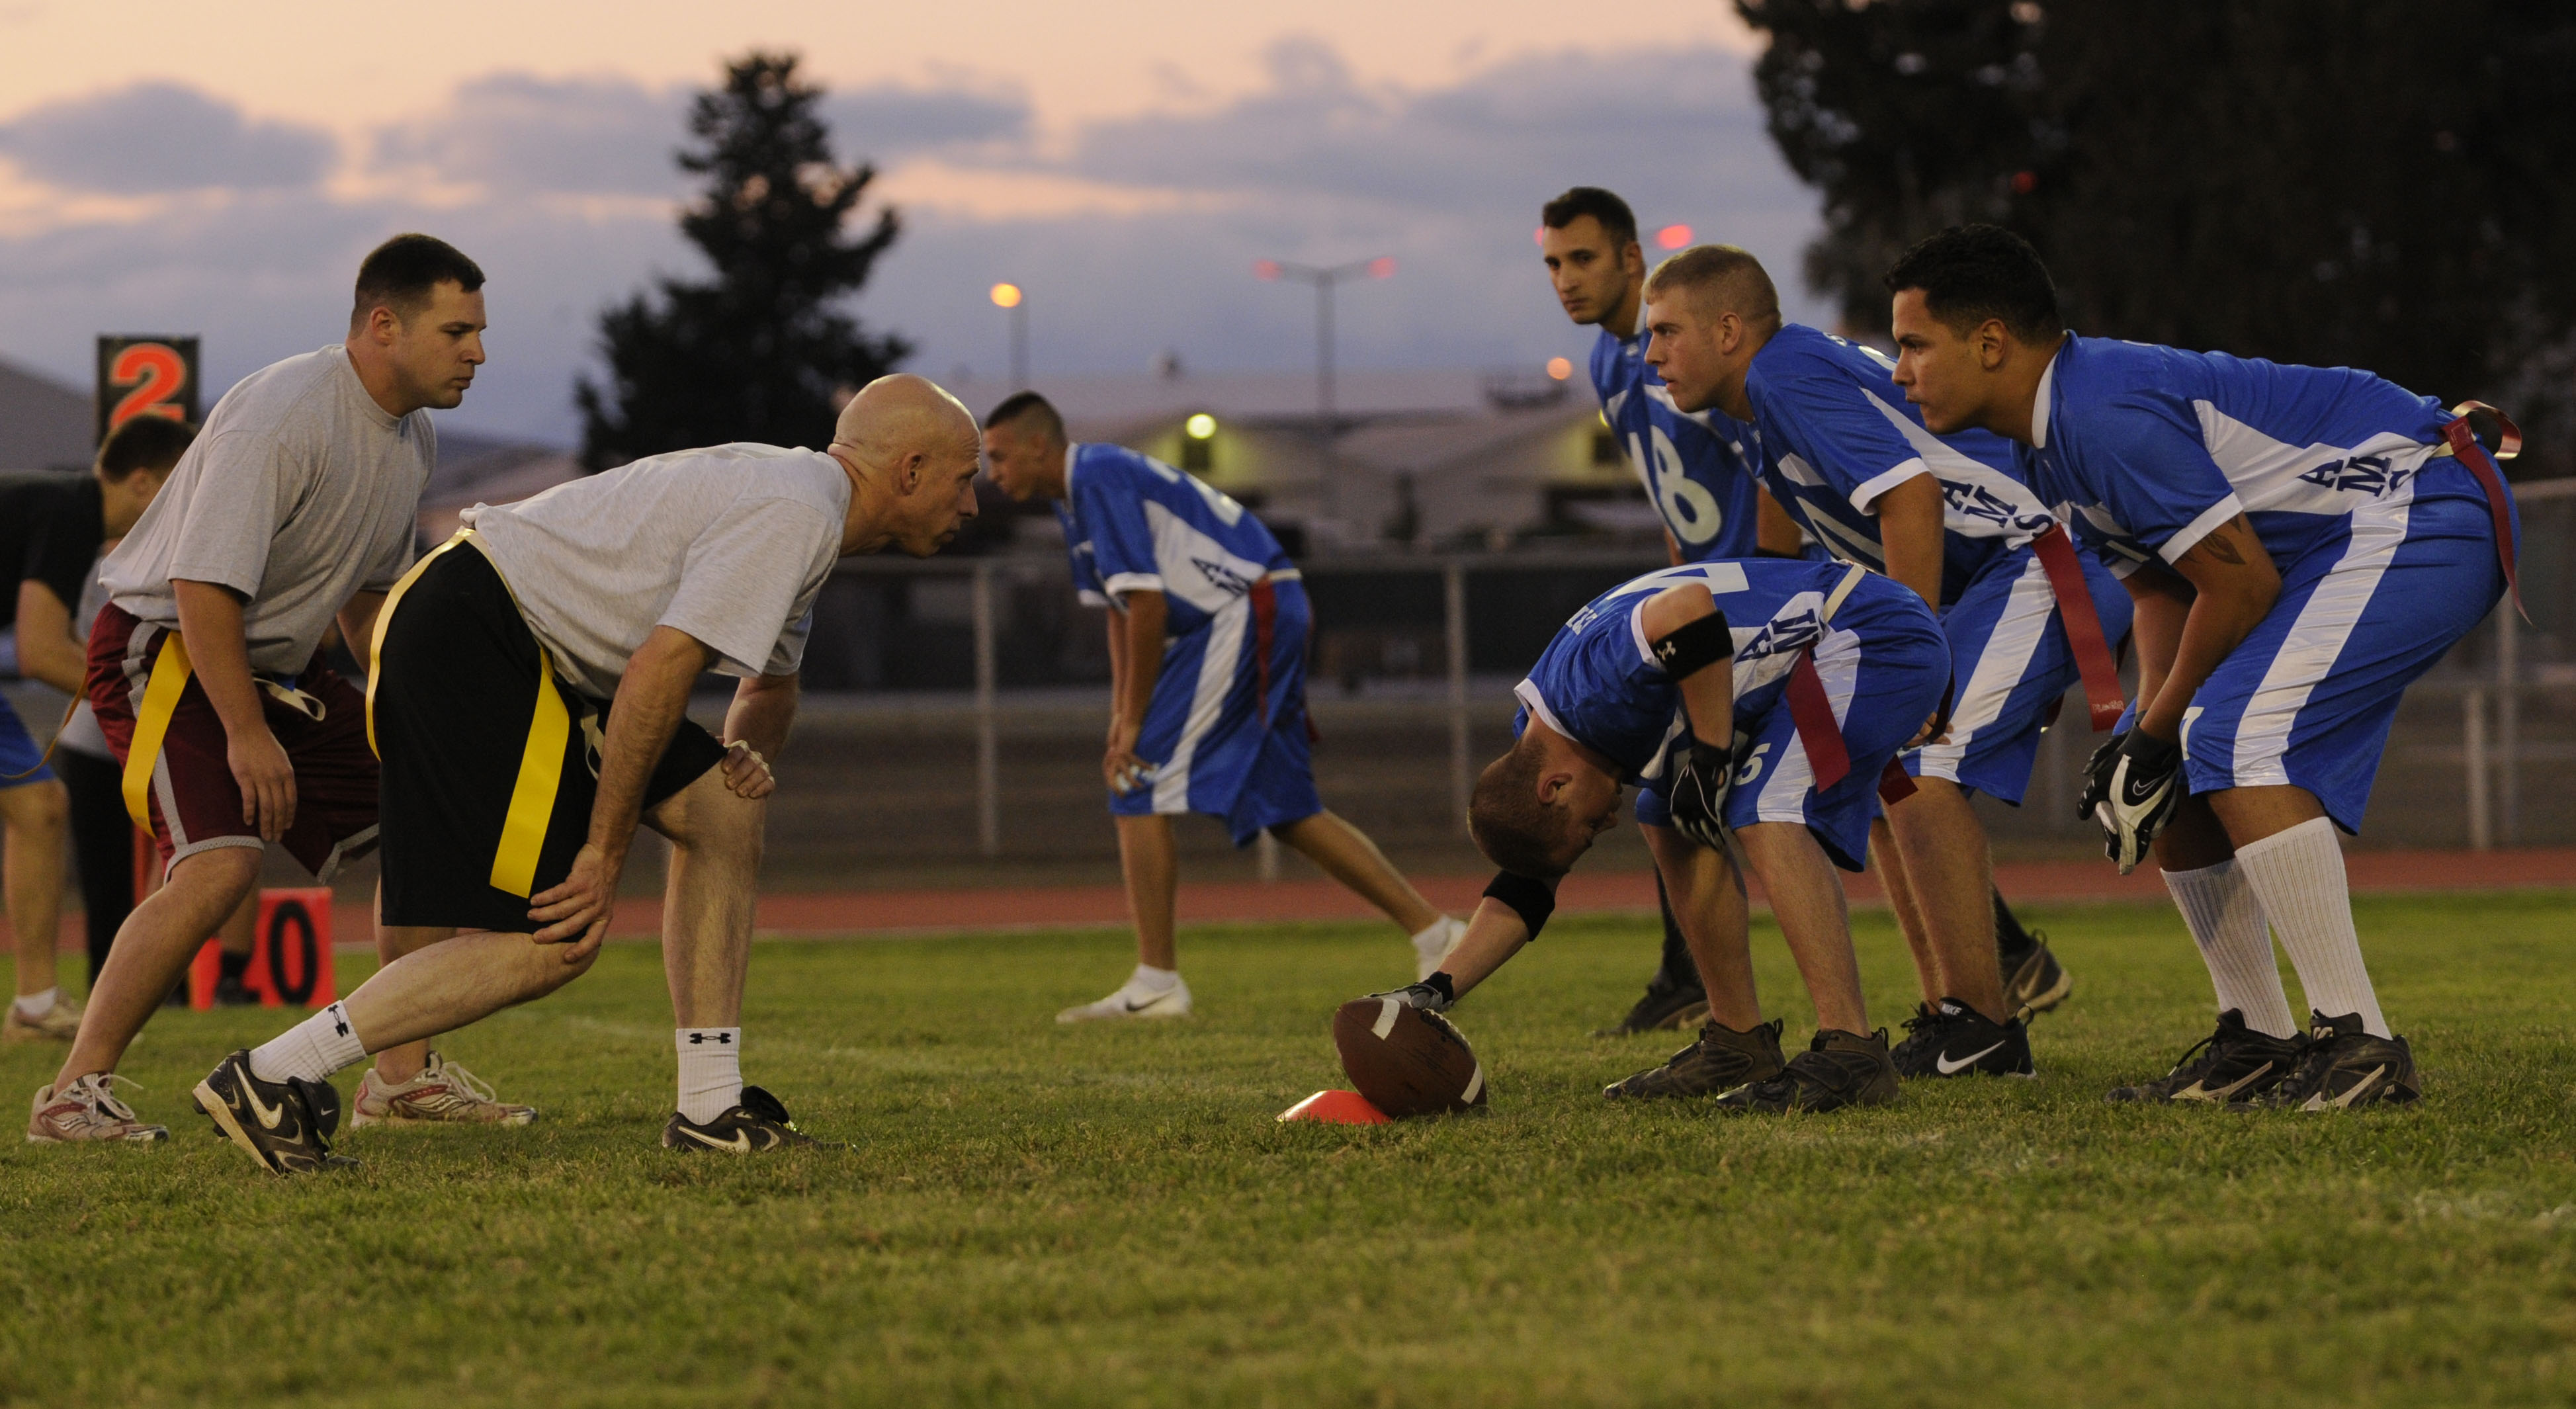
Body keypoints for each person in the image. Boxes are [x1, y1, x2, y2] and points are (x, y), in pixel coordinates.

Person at [193, 374, 985, 1173]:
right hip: (481, 632)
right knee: (555, 939)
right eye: (965, 479)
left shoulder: (803, 502)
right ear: (910, 470)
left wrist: (742, 761)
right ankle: (270, 1075)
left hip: (534, 645)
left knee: (723, 811)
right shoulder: (797, 510)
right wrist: (603, 854)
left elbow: (770, 683)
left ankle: (711, 1108)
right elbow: (654, 674)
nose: (973, 506)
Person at [1883, 224, 2515, 1109]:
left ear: (1989, 341)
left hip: (2418, 505)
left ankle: (2359, 1042)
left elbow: (2238, 579)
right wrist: (2142, 729)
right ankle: (2254, 1038)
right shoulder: (2050, 428)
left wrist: (2154, 725)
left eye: (1913, 343)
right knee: (2180, 746)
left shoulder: (2094, 411)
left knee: (2234, 733)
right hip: (2346, 535)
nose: (1900, 369)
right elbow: (2160, 593)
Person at [26, 233, 520, 1144]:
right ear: (383, 324)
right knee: (220, 863)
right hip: (165, 647)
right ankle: (70, 1092)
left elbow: (370, 600)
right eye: (458, 330)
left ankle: (399, 1080)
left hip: (275, 667)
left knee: (426, 814)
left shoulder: (412, 433)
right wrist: (247, 733)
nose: (478, 352)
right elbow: (201, 586)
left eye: (478, 332)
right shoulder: (286, 409)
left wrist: (407, 706)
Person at [1638, 244, 2133, 1082]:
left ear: (1728, 331)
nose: (1651, 354)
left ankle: (1979, 1022)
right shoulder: (1773, 394)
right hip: (2002, 572)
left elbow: (1911, 494)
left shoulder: (1784, 376)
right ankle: (1954, 1015)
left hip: (2042, 555)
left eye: (1665, 331)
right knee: (1887, 774)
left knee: (1923, 756)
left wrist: (1918, 653)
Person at [1371, 555, 1949, 1113]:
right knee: (1666, 815)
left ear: (1555, 788)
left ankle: (1852, 1053)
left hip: (1869, 631)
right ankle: (1737, 1044)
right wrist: (1438, 990)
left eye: (1588, 829)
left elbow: (1687, 611)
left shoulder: (1594, 688)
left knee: (1764, 807)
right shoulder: (1545, 736)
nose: (1607, 822)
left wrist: (1711, 754)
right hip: (1815, 651)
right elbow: (1527, 884)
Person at [980, 393, 1464, 1021]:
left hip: (1242, 610)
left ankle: (1157, 982)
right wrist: (1119, 716)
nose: (993, 472)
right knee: (1287, 810)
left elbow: (1149, 607)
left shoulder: (1095, 477)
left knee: (1137, 783)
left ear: (1038, 445)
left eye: (997, 456)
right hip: (1255, 608)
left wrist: (1133, 725)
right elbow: (1122, 615)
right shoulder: (1075, 496)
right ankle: (1437, 934)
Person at [9, 417, 265, 1003]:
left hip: (106, 735)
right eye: (185, 485)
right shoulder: (73, 515)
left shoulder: (65, 509)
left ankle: (35, 1004)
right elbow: (40, 651)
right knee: (44, 809)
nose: (194, 504)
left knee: (40, 806)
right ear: (146, 483)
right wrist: (161, 710)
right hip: (103, 738)